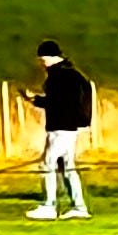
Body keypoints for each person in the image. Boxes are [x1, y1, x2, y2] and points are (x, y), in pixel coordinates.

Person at [29, 42, 94, 219]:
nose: (42, 64)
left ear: (51, 57)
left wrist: (37, 101)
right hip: (67, 126)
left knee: (48, 163)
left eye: (43, 60)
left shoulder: (61, 76)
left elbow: (60, 102)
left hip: (62, 127)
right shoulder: (70, 74)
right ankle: (79, 207)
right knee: (67, 166)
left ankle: (49, 206)